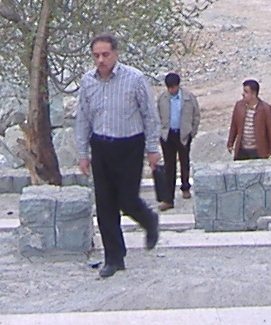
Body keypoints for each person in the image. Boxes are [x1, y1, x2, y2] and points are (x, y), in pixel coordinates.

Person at [73, 33, 161, 278]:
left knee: (127, 199)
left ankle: (149, 220)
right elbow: (83, 118)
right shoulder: (88, 82)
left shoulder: (134, 79)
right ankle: (114, 257)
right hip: (101, 145)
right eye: (96, 56)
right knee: (105, 206)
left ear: (116, 54)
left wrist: (153, 149)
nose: (101, 60)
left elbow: (149, 115)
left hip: (130, 145)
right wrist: (83, 152)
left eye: (105, 55)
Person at [155, 72, 203, 206]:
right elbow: (156, 116)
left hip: (183, 135)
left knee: (184, 161)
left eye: (173, 87)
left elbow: (196, 115)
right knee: (169, 166)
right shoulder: (162, 99)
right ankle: (168, 198)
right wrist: (160, 132)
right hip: (167, 135)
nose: (171, 90)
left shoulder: (188, 98)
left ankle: (185, 187)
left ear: (178, 85)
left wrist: (191, 132)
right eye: (169, 88)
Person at [226, 78, 271, 160]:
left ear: (254, 94)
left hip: (258, 150)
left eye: (246, 92)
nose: (243, 94)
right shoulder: (239, 106)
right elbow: (234, 126)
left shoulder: (265, 109)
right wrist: (230, 143)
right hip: (242, 149)